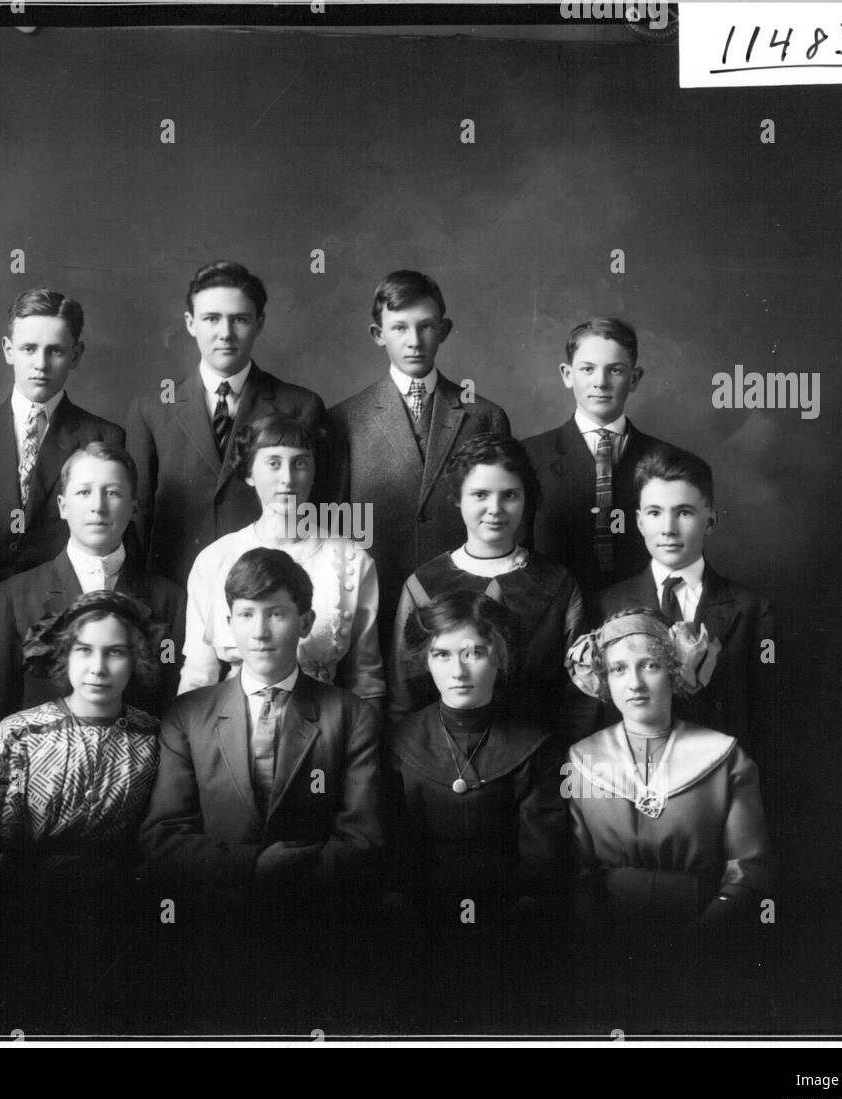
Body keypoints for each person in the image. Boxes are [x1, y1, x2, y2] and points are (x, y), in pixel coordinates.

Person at [140, 548, 382, 906]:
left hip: (315, 914)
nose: (259, 632)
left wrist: (290, 890)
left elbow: (363, 838)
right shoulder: (187, 715)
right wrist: (250, 867)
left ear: (305, 622)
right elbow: (163, 834)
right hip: (216, 912)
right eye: (246, 614)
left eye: (277, 614)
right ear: (229, 622)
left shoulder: (350, 715)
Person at [324, 269, 511, 645]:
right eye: (399, 328)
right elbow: (334, 529)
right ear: (378, 334)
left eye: (425, 327)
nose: (414, 341)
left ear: (443, 330)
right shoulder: (344, 419)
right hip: (375, 603)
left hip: (463, 605)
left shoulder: (483, 416)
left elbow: (506, 522)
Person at [562, 608, 770, 928]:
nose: (635, 683)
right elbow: (575, 872)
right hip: (608, 939)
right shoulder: (581, 761)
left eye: (650, 665)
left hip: (704, 934)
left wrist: (703, 936)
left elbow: (749, 869)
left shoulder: (726, 757)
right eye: (618, 669)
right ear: (604, 679)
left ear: (675, 672)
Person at [387, 433, 595, 746]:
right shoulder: (424, 584)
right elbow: (405, 696)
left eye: (509, 495)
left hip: (540, 756)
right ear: (458, 497)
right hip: (444, 758)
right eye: (480, 495)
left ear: (527, 499)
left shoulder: (558, 583)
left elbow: (580, 692)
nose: (495, 508)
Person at [125, 261, 325, 585]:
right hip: (178, 593)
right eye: (211, 319)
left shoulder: (300, 406)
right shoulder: (152, 409)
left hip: (270, 591)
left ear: (259, 323)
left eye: (240, 319)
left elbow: (313, 513)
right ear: (191, 323)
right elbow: (137, 519)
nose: (225, 334)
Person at [0, 288, 124, 603]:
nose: (41, 364)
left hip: (63, 615)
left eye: (56, 351)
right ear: (8, 350)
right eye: (29, 349)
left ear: (75, 355)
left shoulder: (102, 437)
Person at [384, 592, 567, 923]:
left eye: (473, 653)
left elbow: (541, 862)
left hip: (508, 918)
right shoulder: (399, 742)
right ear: (426, 660)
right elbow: (396, 859)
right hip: (420, 920)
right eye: (442, 655)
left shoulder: (537, 747)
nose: (458, 671)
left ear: (499, 655)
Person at [179, 413, 383, 702]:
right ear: (249, 473)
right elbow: (199, 676)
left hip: (324, 724)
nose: (287, 478)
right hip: (232, 721)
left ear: (313, 472)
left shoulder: (351, 560)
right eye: (273, 463)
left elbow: (367, 679)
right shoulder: (216, 559)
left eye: (300, 463)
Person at [0, 443, 185, 723]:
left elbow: (172, 707)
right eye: (84, 492)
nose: (98, 507)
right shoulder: (16, 594)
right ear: (63, 507)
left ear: (134, 505)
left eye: (112, 492)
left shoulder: (169, 599)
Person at [598, 444, 776, 760]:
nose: (668, 529)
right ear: (639, 522)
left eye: (683, 513)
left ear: (710, 520)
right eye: (654, 513)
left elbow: (767, 716)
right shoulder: (608, 605)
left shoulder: (752, 608)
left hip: (720, 775)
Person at [0, 592, 162, 888]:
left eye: (115, 652)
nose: (98, 668)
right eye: (84, 650)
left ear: (135, 658)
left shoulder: (151, 736)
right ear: (65, 654)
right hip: (31, 899)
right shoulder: (21, 732)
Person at [521, 317, 677, 608]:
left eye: (615, 370)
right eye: (587, 369)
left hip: (641, 614)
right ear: (567, 375)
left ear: (634, 378)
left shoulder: (668, 461)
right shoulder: (529, 457)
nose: (600, 382)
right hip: (553, 611)